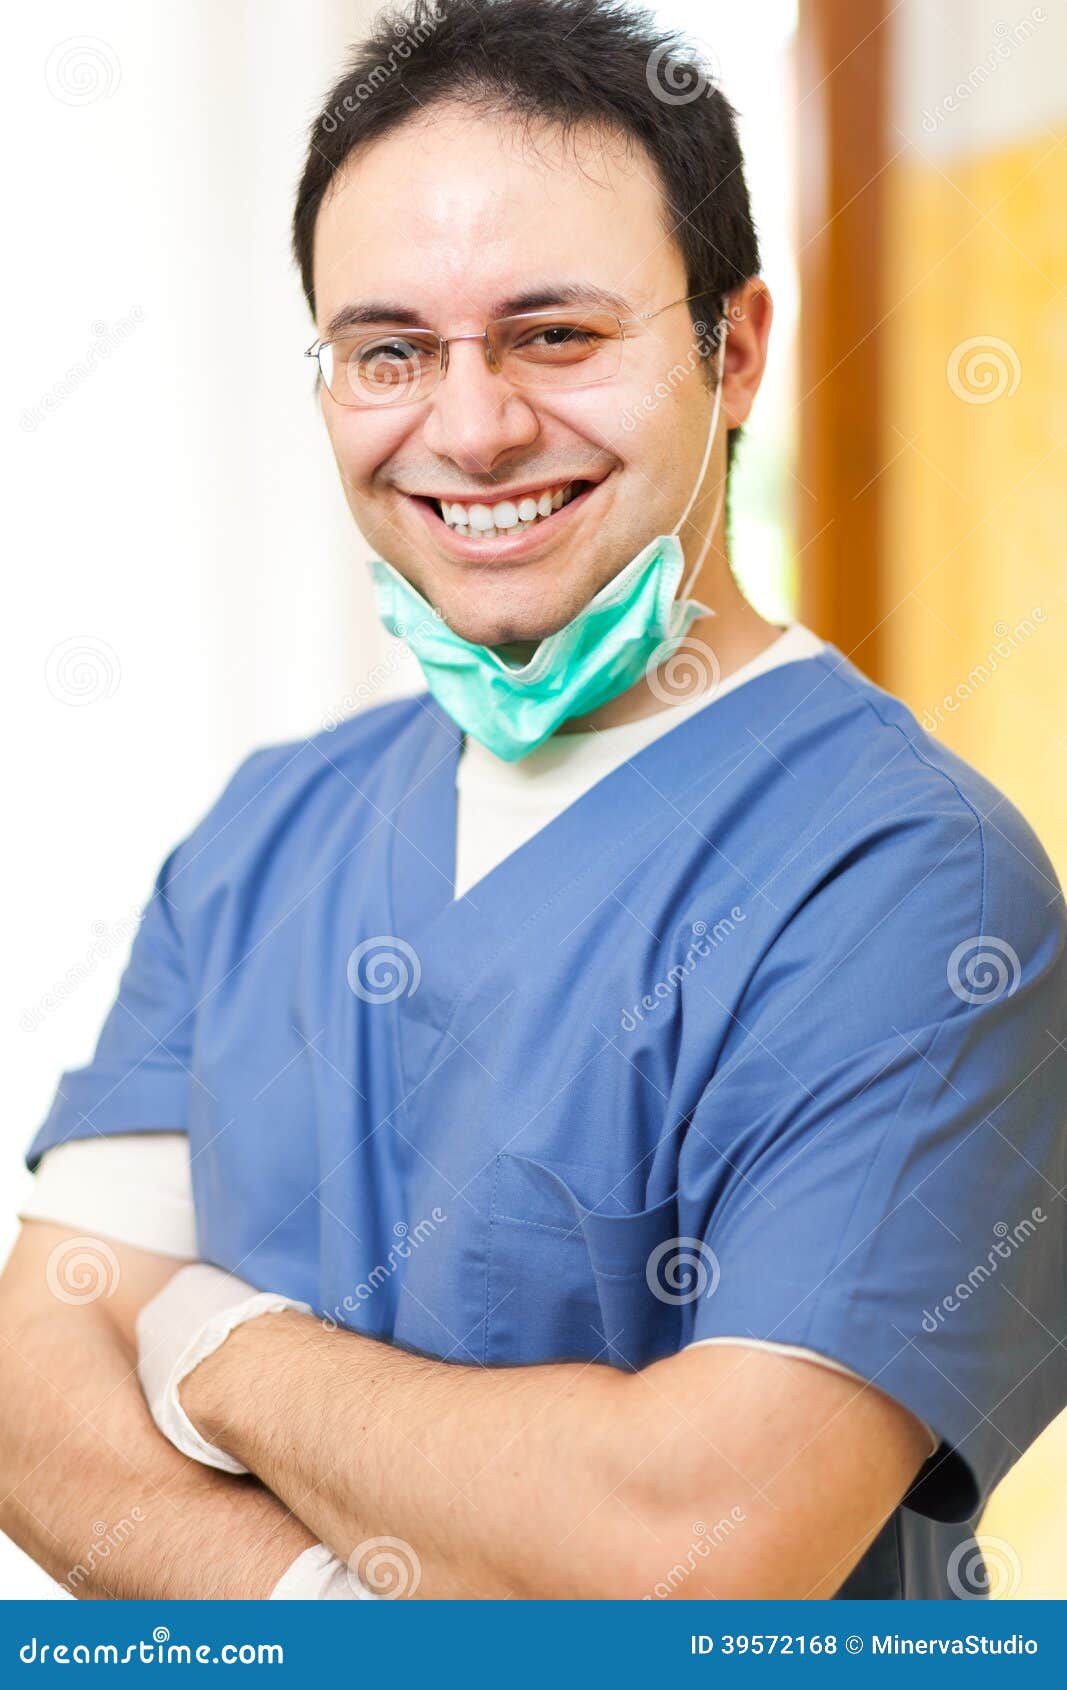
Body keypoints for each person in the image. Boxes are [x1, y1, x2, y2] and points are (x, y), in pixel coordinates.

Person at [3, 0, 1066, 1603]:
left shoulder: (909, 880)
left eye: (555, 335)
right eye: (388, 351)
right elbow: (32, 1395)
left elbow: (694, 1543)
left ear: (737, 349)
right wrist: (340, 1620)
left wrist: (209, 1341)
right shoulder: (261, 840)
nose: (474, 423)